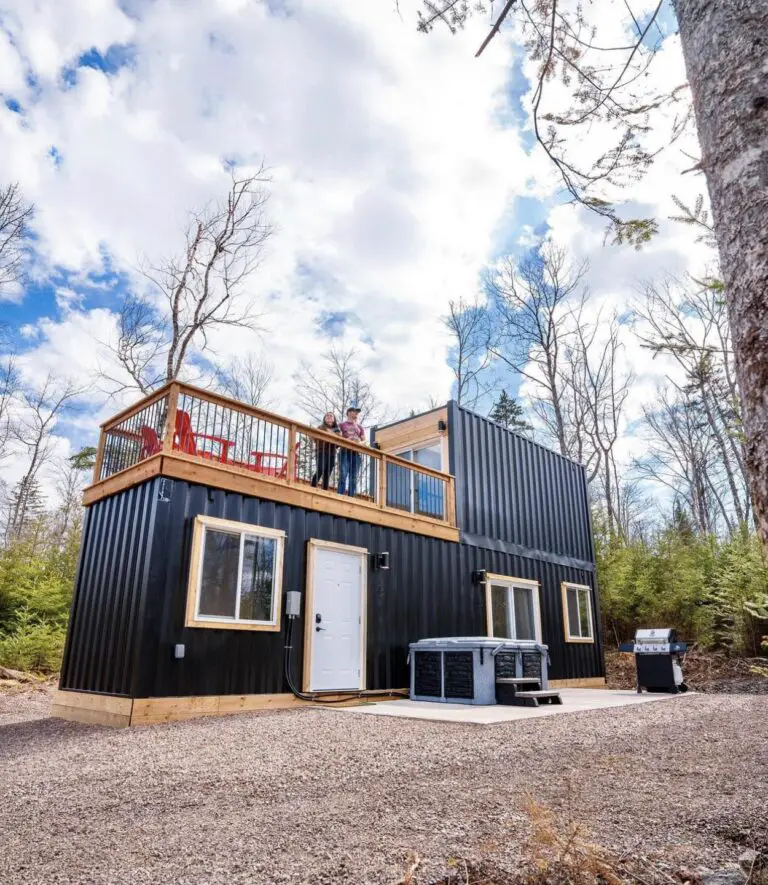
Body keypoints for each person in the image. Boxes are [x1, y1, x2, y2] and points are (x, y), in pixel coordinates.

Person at [338, 405, 365, 497]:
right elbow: (337, 436)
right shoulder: (341, 425)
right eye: (355, 411)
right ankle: (340, 495)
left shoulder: (360, 427)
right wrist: (347, 439)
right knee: (343, 475)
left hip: (356, 454)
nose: (357, 413)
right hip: (344, 452)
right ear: (349, 413)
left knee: (353, 478)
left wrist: (358, 441)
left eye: (357, 412)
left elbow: (363, 439)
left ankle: (351, 497)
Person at [311, 412, 341, 491]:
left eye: (331, 416)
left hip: (331, 453)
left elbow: (339, 442)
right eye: (327, 416)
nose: (329, 417)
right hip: (321, 451)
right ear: (324, 418)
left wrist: (331, 434)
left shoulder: (337, 430)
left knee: (327, 472)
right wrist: (330, 436)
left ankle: (324, 490)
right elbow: (314, 437)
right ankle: (312, 487)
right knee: (321, 468)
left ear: (334, 419)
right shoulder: (321, 427)